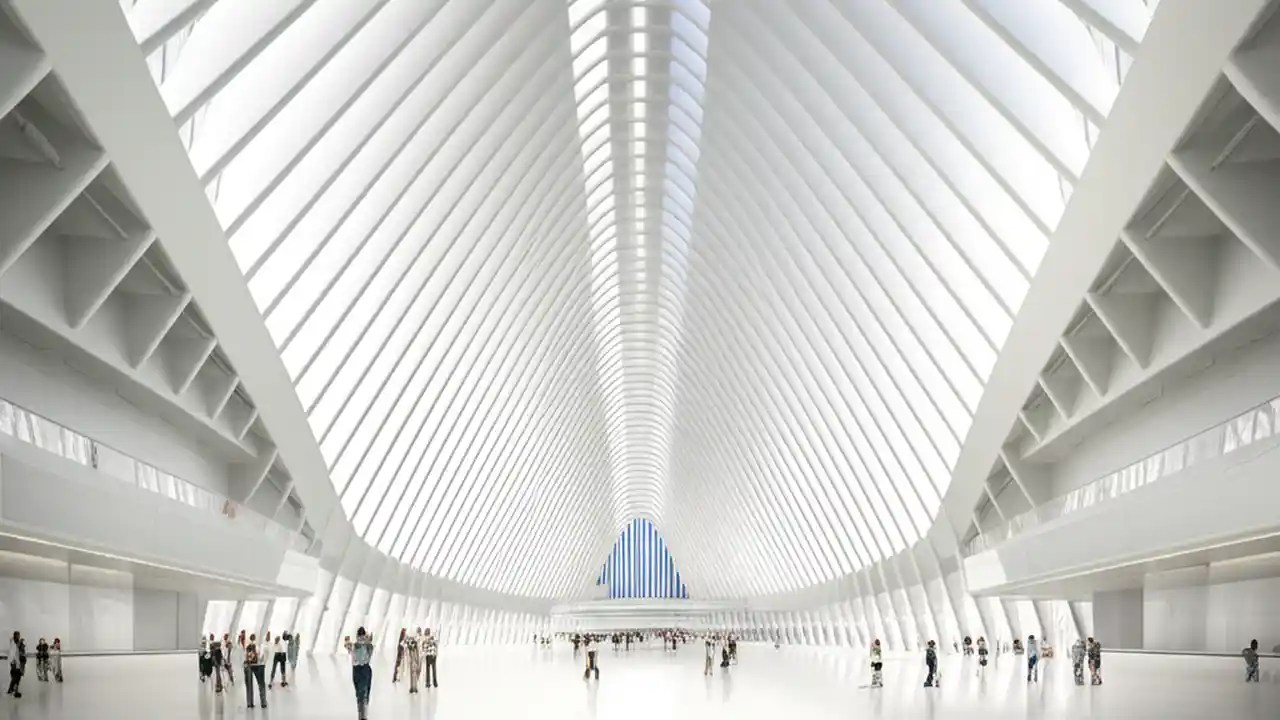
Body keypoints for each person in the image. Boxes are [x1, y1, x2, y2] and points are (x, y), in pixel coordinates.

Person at [350, 627, 374, 720]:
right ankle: (363, 715)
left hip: (358, 669)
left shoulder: (355, 646)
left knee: (360, 694)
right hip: (364, 669)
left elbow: (350, 650)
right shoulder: (367, 645)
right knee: (364, 693)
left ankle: (361, 715)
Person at [244, 634, 267, 709]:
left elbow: (245, 654)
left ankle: (249, 703)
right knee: (261, 684)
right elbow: (263, 655)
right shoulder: (261, 643)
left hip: (249, 664)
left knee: (249, 685)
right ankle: (263, 702)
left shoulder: (247, 643)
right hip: (259, 665)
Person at [7, 632, 23, 698]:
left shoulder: (16, 643)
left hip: (16, 661)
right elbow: (12, 652)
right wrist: (13, 661)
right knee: (16, 676)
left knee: (17, 676)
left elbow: (17, 652)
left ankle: (12, 689)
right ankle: (11, 689)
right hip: (14, 661)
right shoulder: (13, 643)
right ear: (15, 636)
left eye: (19, 635)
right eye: (18, 635)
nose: (19, 636)